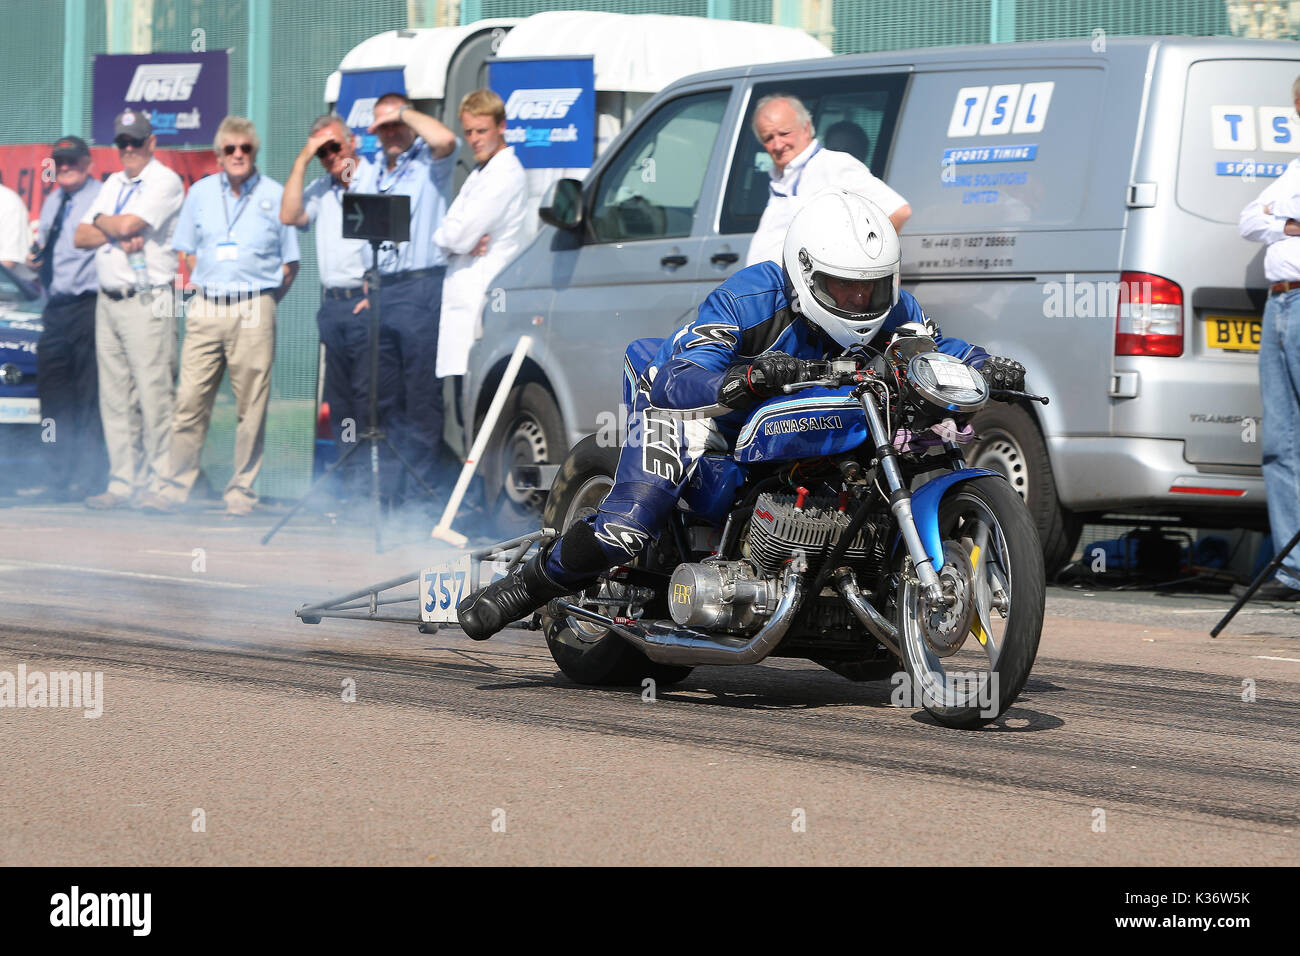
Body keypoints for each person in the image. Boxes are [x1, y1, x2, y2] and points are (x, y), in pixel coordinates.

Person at [457, 189, 1026, 641]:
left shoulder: (897, 308)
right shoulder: (752, 297)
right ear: (806, 273)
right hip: (703, 420)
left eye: (871, 288)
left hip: (821, 431)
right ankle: (525, 586)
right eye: (843, 288)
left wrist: (984, 365)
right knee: (629, 528)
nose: (860, 302)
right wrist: (743, 377)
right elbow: (677, 375)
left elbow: (934, 349)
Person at [152, 116, 299, 516]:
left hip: (254, 303)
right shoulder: (199, 193)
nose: (238, 155)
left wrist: (263, 302)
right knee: (189, 400)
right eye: (230, 149)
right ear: (218, 155)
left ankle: (241, 493)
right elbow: (187, 250)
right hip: (206, 304)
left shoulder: (274, 194)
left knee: (251, 406)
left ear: (255, 152)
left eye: (245, 149)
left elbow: (290, 264)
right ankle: (173, 486)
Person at [74, 109, 185, 510]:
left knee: (154, 394)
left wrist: (107, 223)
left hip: (148, 297)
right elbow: (79, 236)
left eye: (136, 142)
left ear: (151, 142)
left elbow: (123, 228)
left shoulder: (165, 180)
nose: (129, 150)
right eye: (122, 142)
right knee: (116, 397)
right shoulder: (113, 183)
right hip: (109, 298)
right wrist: (113, 224)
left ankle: (163, 483)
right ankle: (123, 482)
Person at [355, 92, 459, 508]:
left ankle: (421, 494)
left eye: (397, 124)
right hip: (382, 287)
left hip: (420, 287)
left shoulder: (428, 163)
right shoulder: (370, 169)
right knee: (383, 396)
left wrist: (402, 113)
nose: (392, 133)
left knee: (420, 396)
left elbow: (446, 140)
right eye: (383, 127)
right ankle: (388, 497)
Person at [280, 112, 374, 501]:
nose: (331, 155)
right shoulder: (321, 189)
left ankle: (374, 484)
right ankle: (349, 480)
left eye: (335, 146)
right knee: (341, 403)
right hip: (333, 306)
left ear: (352, 143)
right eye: (323, 151)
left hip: (366, 303)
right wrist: (303, 158)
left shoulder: (375, 178)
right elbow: (289, 215)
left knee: (369, 397)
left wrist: (376, 293)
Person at [1238, 75, 1300, 601]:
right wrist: (1288, 224)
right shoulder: (1294, 169)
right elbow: (1245, 221)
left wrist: (1274, 220)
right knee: (1281, 444)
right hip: (1280, 304)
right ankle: (1292, 568)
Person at [744, 94, 912, 267]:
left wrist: (852, 271)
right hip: (765, 290)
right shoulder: (784, 176)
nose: (778, 145)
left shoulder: (831, 165)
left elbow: (898, 211)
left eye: (784, 133)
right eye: (768, 138)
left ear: (806, 127)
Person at [28, 135, 107, 500]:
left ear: (88, 163)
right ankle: (54, 474)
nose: (65, 166)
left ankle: (90, 477)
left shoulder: (102, 197)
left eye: (73, 160)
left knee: (88, 395)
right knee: (53, 397)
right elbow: (46, 246)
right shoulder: (53, 201)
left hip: (89, 304)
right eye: (60, 161)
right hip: (55, 306)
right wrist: (36, 260)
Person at [433, 88, 528, 379]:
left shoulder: (504, 174)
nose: (474, 139)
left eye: (482, 130)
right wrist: (453, 244)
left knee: (480, 408)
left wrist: (454, 243)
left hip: (483, 302)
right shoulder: (481, 173)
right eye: (469, 131)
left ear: (502, 127)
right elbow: (448, 236)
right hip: (466, 298)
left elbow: (457, 235)